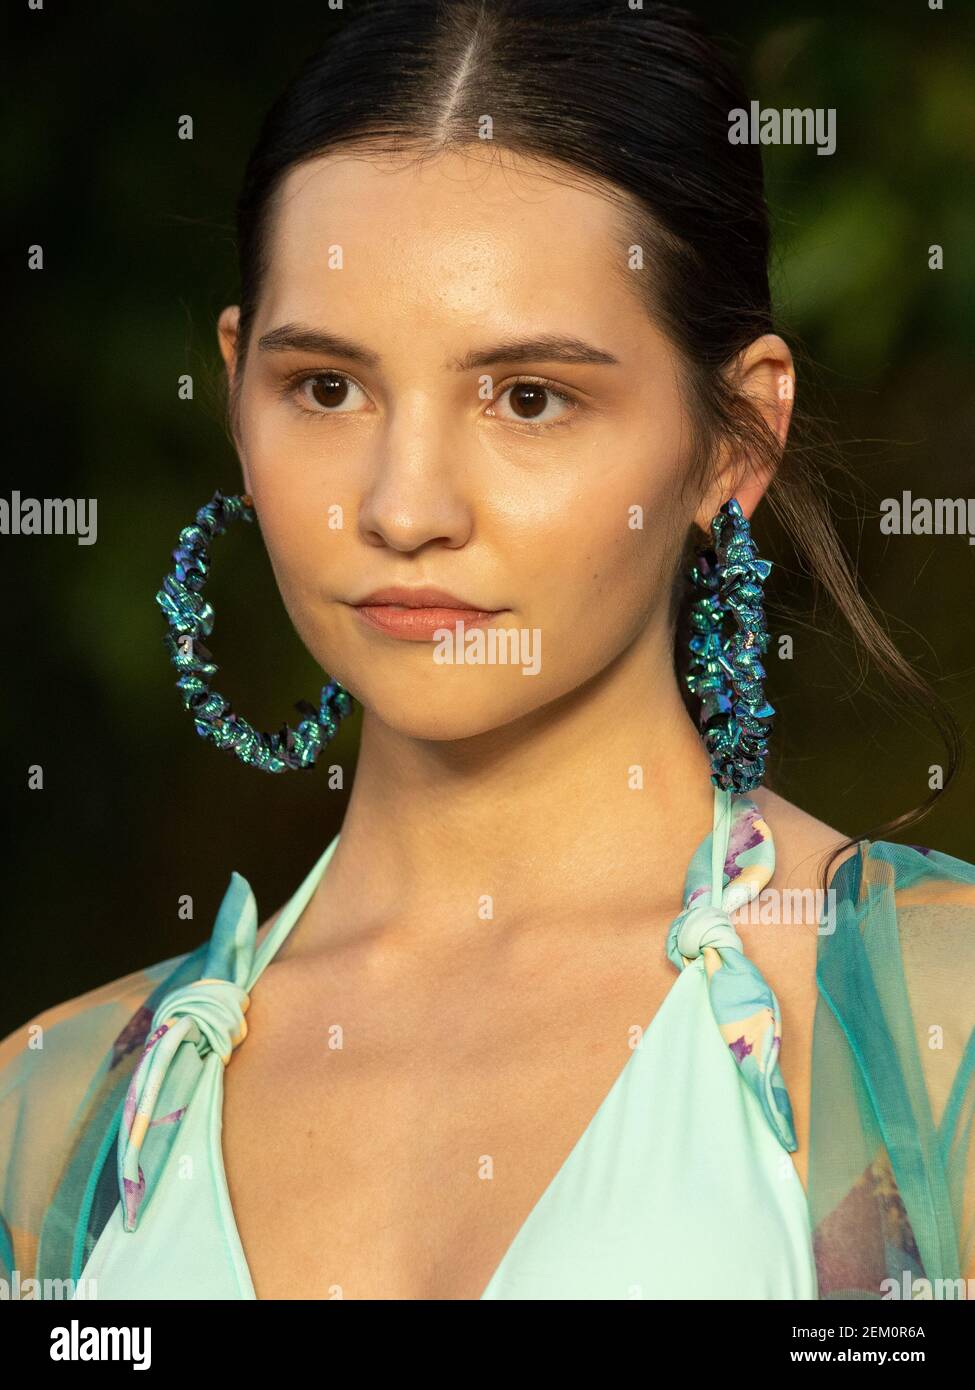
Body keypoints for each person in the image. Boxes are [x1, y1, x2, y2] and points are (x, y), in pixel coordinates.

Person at [2, 0, 973, 1301]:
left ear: (733, 440)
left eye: (529, 397)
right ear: (237, 392)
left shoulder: (931, 1022)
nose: (406, 507)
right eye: (327, 387)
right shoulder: (52, 1121)